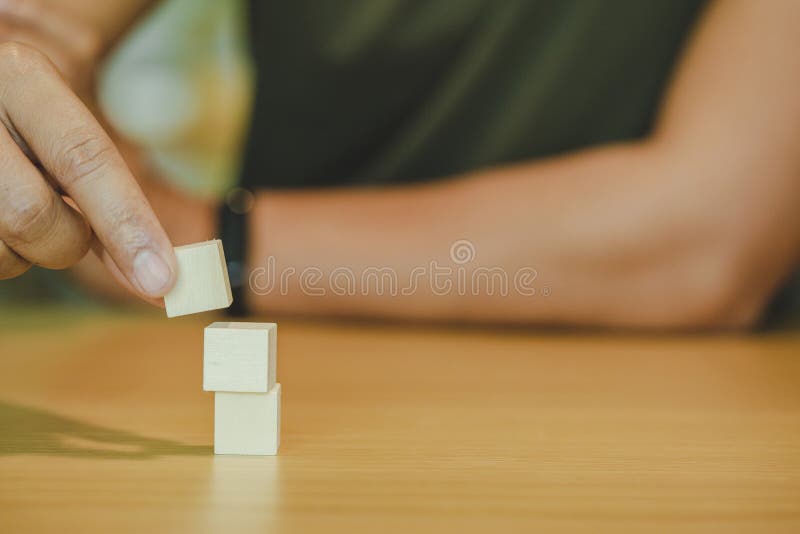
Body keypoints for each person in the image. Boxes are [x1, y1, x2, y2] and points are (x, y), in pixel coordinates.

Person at [0, 0, 798, 329]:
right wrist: (29, 63)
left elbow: (708, 236)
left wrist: (198, 235)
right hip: (307, 370)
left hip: (692, 402)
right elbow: (41, 27)